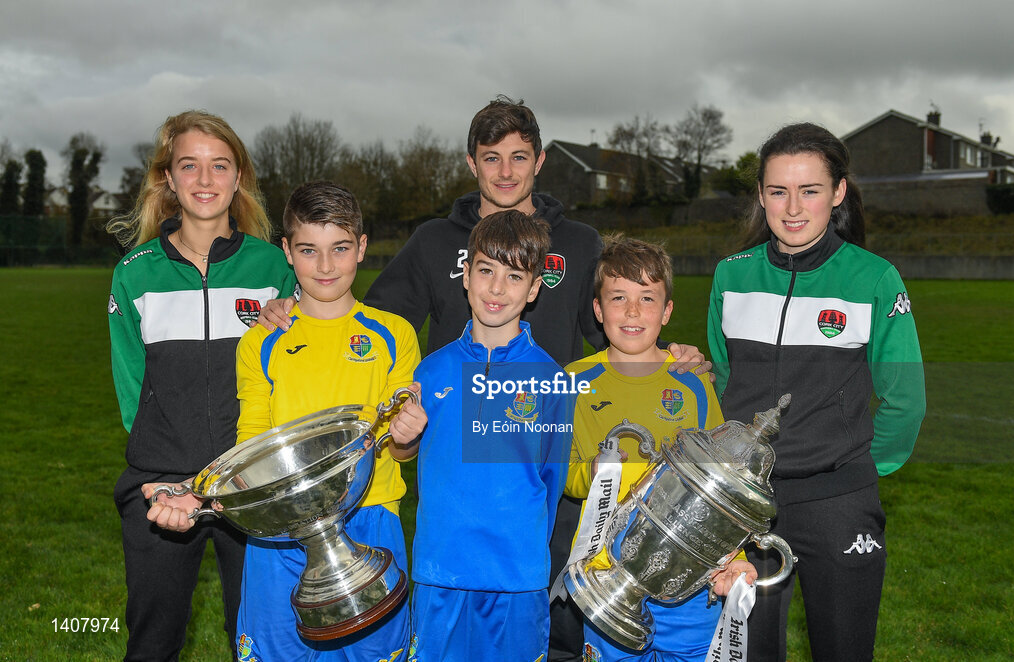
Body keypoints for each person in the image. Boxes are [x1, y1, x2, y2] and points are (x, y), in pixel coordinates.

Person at [257, 96, 709, 661]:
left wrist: (668, 356)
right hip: (447, 525)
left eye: (518, 157)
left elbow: (617, 322)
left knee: (572, 631)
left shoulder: (579, 247)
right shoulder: (431, 271)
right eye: (490, 157)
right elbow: (358, 317)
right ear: (471, 163)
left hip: (539, 490)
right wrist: (292, 306)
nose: (505, 171)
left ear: (539, 161)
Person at [145, 181, 427, 661]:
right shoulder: (259, 342)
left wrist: (407, 436)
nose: (325, 266)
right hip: (277, 536)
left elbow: (402, 449)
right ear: (287, 252)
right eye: (308, 250)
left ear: (361, 247)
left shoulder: (393, 334)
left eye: (339, 248)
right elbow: (251, 444)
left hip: (371, 516)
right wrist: (198, 493)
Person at [706, 123, 926, 662]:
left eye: (810, 190)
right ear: (761, 196)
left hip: (839, 507)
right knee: (748, 656)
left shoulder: (874, 279)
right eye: (778, 191)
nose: (793, 207)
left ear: (838, 192)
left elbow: (907, 399)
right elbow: (721, 383)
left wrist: (852, 471)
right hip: (744, 510)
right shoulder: (730, 277)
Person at [106, 110, 297, 662]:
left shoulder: (272, 267)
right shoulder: (135, 272)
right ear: (168, 177)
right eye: (189, 165)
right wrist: (163, 464)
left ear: (239, 178)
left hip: (253, 482)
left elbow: (289, 372)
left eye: (220, 165)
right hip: (162, 485)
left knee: (261, 644)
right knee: (153, 643)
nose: (206, 179)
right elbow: (131, 384)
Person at [564, 235, 755, 662]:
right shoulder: (573, 381)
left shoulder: (692, 380)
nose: (632, 312)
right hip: (607, 572)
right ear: (597, 309)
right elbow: (564, 472)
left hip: (689, 576)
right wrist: (592, 474)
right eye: (618, 298)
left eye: (647, 299)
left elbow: (720, 485)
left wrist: (732, 558)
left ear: (666, 311)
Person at [408, 210, 573, 661]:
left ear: (534, 288)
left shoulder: (549, 380)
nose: (497, 289)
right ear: (466, 275)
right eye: (486, 271)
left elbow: (551, 482)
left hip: (515, 575)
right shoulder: (432, 370)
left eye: (514, 276)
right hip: (440, 570)